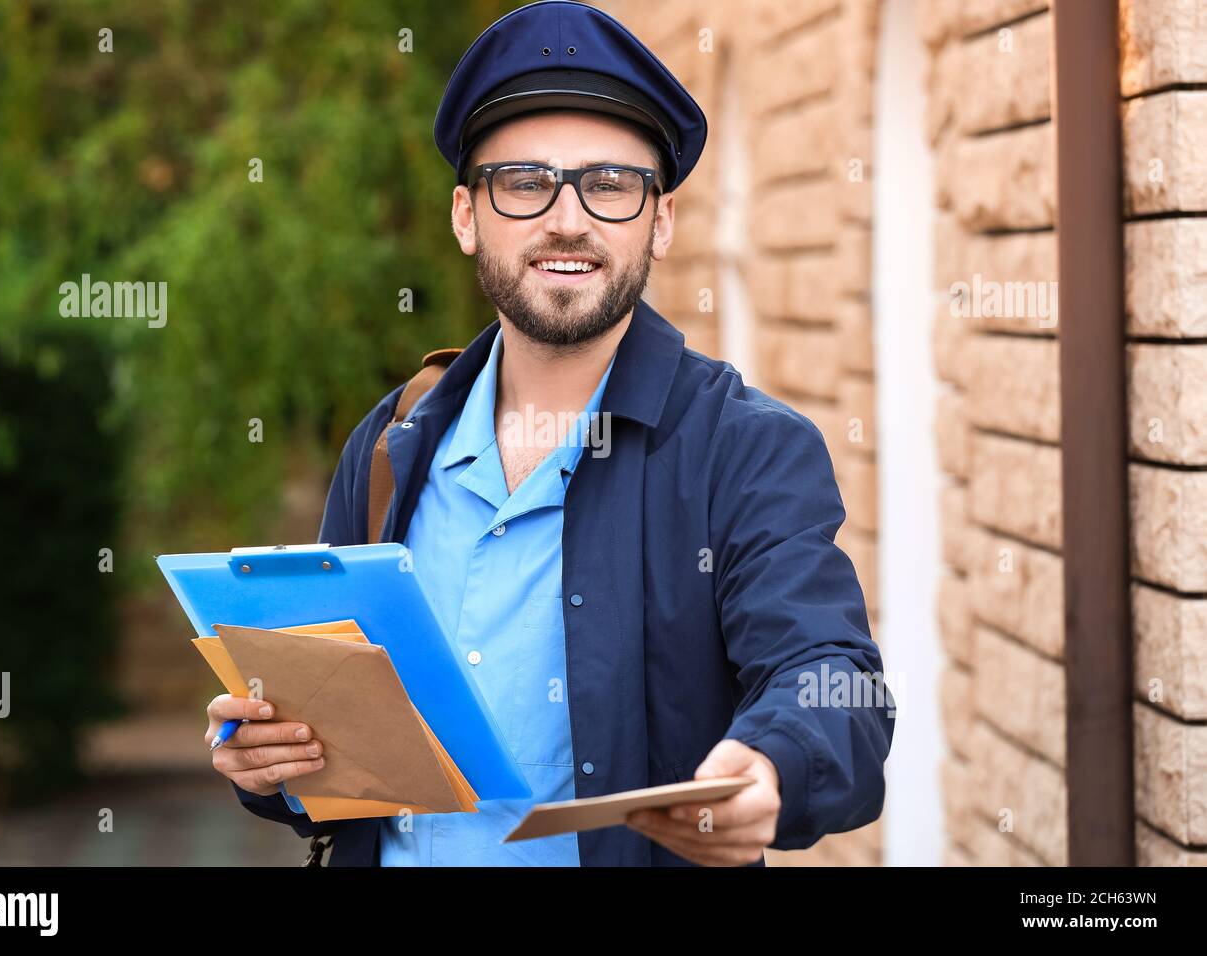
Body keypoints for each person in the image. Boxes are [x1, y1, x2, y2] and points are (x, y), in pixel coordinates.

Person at [205, 0, 894, 867]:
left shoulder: (744, 449)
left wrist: (769, 763)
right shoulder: (390, 445)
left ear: (662, 220)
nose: (567, 220)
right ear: (466, 216)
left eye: (608, 183)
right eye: (525, 181)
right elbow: (333, 763)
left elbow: (837, 679)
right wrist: (266, 764)